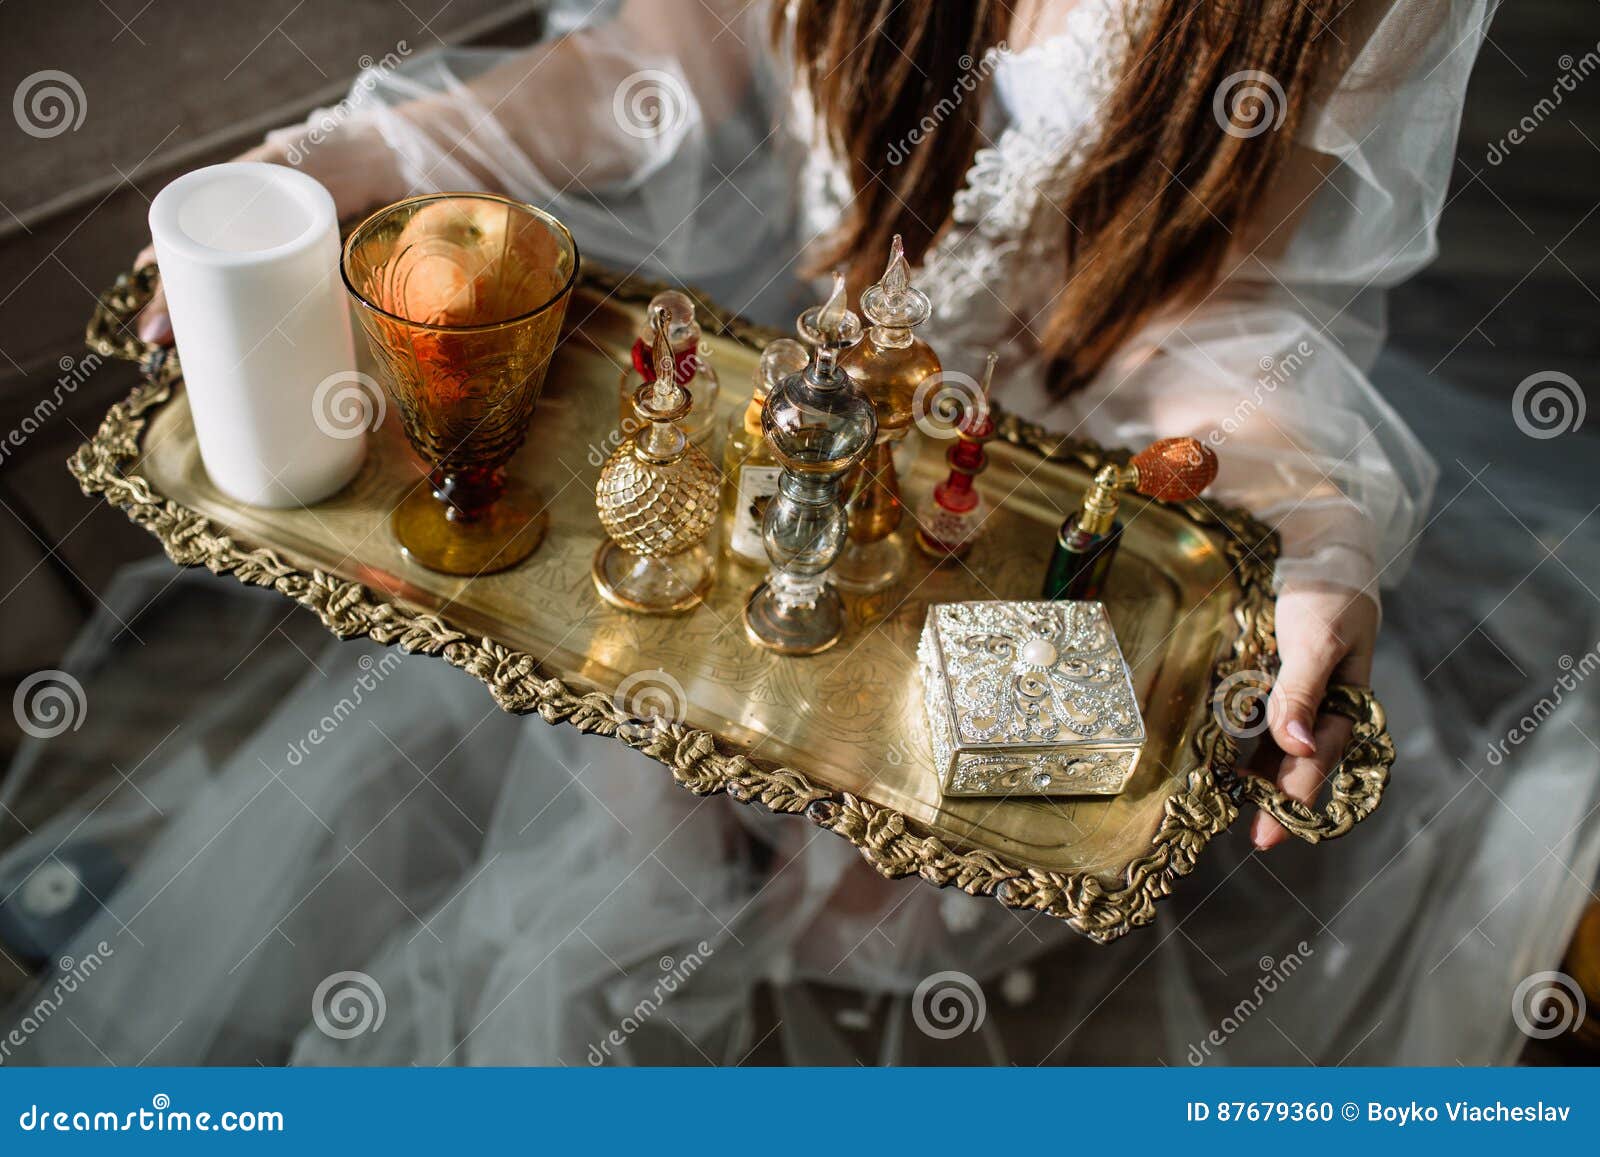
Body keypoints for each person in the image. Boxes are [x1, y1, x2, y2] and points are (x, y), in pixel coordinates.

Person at [7, 0, 1594, 1065]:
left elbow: (1227, 318)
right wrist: (336, 163)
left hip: (1050, 484)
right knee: (624, 788)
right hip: (791, 416)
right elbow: (648, 58)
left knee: (880, 908)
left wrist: (1306, 544)